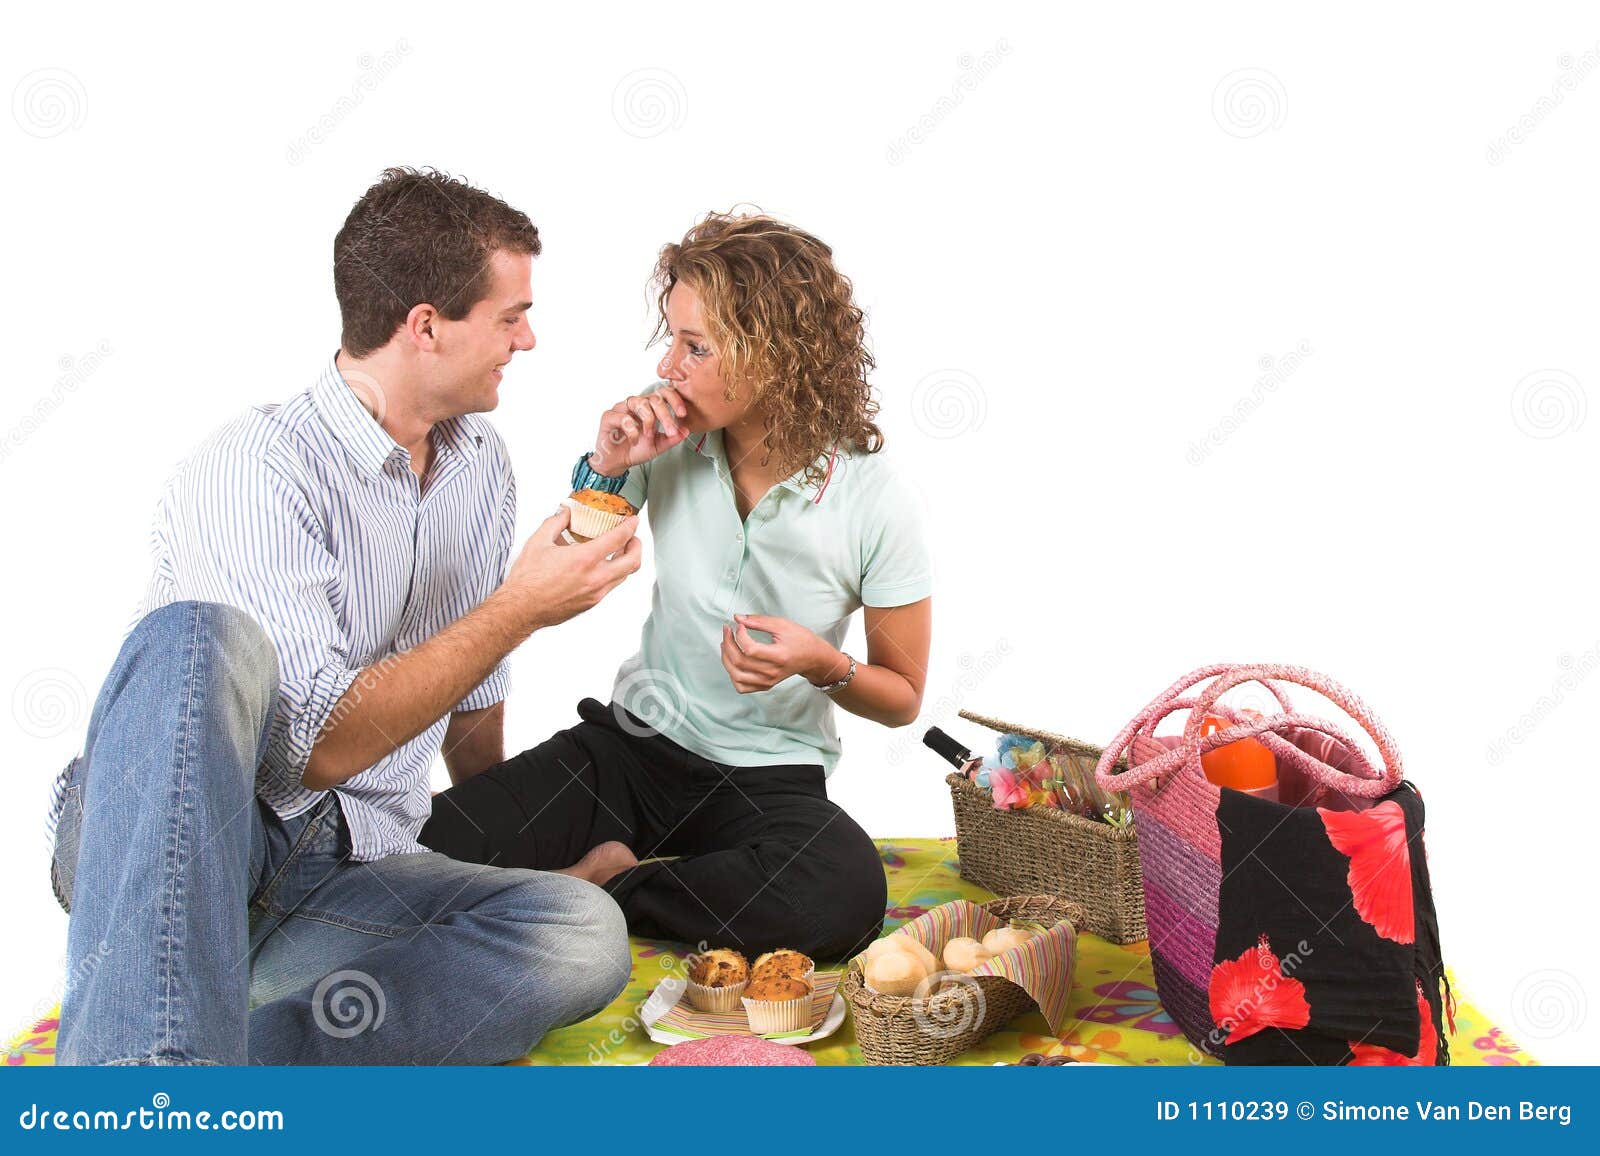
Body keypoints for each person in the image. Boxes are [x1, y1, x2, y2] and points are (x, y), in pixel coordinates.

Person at [46, 168, 639, 1065]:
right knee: (196, 636)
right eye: (510, 315)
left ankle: (218, 1053)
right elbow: (315, 748)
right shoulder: (257, 466)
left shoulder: (480, 464)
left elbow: (472, 697)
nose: (528, 338)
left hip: (346, 873)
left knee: (577, 930)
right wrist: (519, 609)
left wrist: (504, 867)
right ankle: (147, 1092)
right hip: (195, 836)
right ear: (427, 325)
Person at [421, 212, 933, 960]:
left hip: (770, 780)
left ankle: (610, 891)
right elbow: (579, 562)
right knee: (421, 850)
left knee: (842, 897)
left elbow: (903, 696)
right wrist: (610, 460)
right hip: (631, 748)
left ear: (777, 356)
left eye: (695, 347)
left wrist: (822, 665)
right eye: (672, 339)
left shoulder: (872, 500)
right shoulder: (673, 439)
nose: (668, 367)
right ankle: (621, 884)